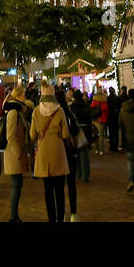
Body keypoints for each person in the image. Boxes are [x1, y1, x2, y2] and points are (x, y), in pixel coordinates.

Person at [2, 84, 32, 223]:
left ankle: (15, 216)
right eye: (24, 95)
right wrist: (18, 152)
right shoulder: (13, 112)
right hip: (14, 154)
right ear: (19, 96)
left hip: (16, 153)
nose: (25, 98)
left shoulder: (17, 111)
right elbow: (11, 135)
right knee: (16, 186)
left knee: (18, 186)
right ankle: (13, 216)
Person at [53, 87, 81, 221]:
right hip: (70, 152)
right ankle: (74, 213)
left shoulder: (53, 115)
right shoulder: (69, 114)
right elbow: (75, 131)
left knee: (59, 186)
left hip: (58, 152)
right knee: (71, 184)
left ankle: (62, 214)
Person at [69, 88, 93, 183]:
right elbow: (89, 119)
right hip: (85, 131)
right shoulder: (86, 105)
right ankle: (85, 175)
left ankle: (78, 174)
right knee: (85, 155)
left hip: (76, 132)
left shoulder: (72, 107)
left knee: (77, 154)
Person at [90, 89, 108, 155]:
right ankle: (101, 150)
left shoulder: (94, 101)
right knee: (101, 135)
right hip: (102, 119)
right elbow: (106, 110)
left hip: (95, 119)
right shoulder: (104, 101)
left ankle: (97, 149)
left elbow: (91, 108)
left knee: (96, 135)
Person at [106, 87, 121, 153]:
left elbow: (107, 108)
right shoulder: (117, 98)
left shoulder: (108, 99)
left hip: (110, 117)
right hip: (116, 116)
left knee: (111, 132)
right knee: (116, 132)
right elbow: (119, 107)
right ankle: (116, 146)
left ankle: (112, 146)